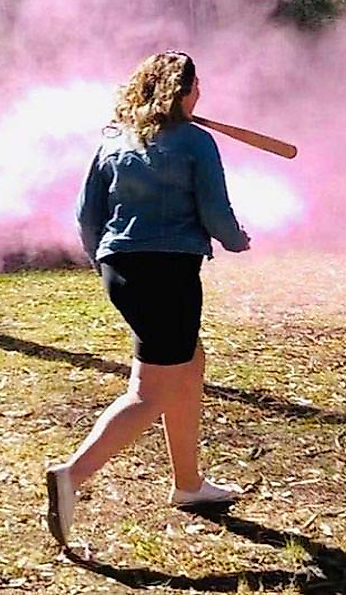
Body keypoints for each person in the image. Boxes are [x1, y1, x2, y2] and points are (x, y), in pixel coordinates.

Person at [45, 50, 252, 548]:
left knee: (189, 361)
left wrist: (104, 262)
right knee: (152, 390)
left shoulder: (114, 140)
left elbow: (85, 216)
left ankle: (188, 484)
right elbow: (215, 210)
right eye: (195, 86)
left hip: (121, 269)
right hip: (169, 273)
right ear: (180, 92)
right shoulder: (196, 143)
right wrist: (237, 239)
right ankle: (71, 475)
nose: (200, 94)